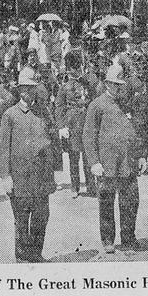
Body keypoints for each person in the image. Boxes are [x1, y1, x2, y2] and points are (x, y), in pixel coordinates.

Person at [83, 63, 148, 253]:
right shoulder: (97, 105)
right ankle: (108, 240)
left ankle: (128, 238)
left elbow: (137, 133)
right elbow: (88, 136)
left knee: (130, 202)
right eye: (115, 84)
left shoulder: (128, 104)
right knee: (106, 203)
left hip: (128, 164)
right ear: (106, 84)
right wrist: (94, 162)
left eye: (121, 84)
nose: (119, 87)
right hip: (107, 165)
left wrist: (142, 156)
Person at [0, 67, 59, 263]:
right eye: (24, 88)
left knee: (42, 217)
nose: (28, 92)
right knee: (22, 220)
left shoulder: (43, 112)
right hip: (20, 178)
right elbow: (3, 149)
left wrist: (54, 171)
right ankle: (23, 257)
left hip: (41, 177)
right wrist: (5, 177)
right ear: (19, 90)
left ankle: (35, 253)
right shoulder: (10, 115)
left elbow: (52, 138)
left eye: (32, 88)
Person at [55, 52, 93, 198]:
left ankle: (90, 186)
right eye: (73, 68)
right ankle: (75, 187)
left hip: (86, 123)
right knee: (74, 157)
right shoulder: (64, 87)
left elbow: (93, 98)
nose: (75, 71)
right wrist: (61, 126)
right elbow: (59, 107)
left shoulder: (86, 83)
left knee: (88, 157)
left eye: (77, 67)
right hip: (72, 124)